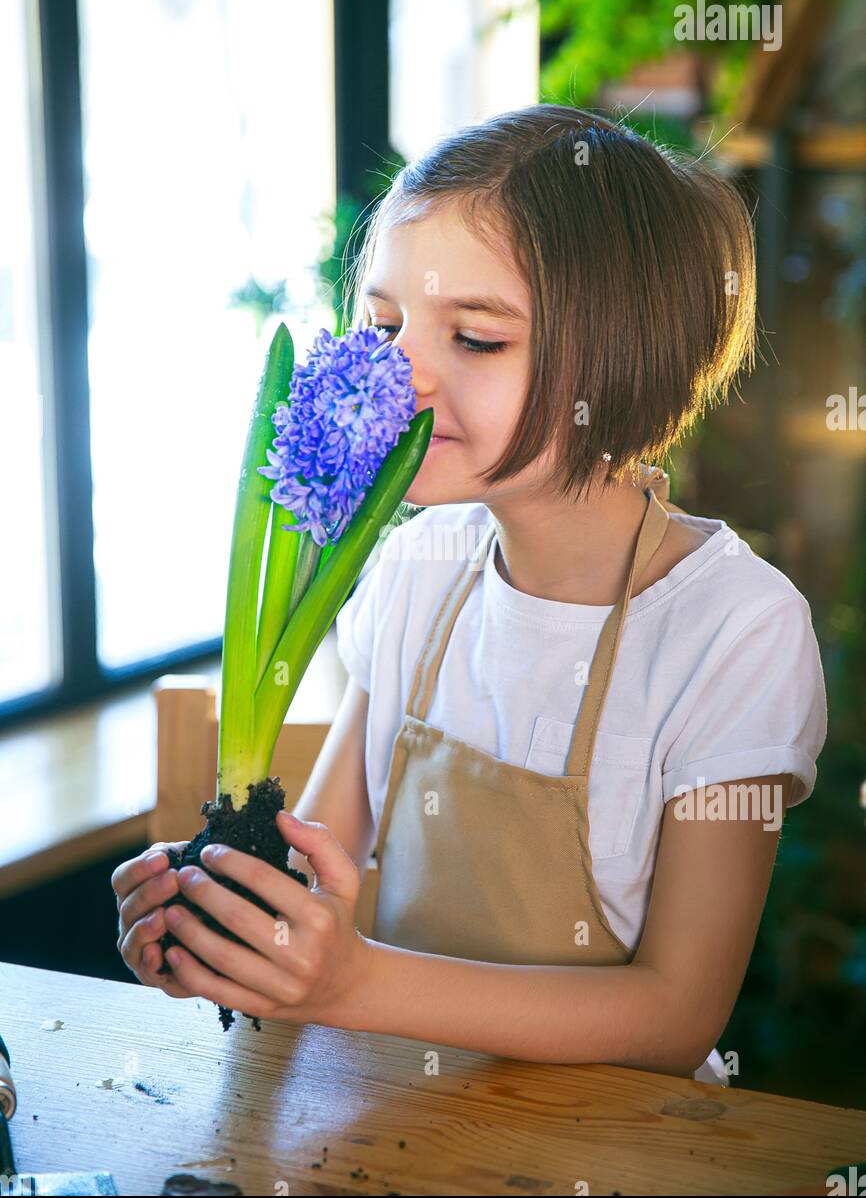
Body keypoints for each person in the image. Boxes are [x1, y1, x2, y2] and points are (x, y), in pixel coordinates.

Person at [114, 106, 827, 1084]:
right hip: (387, 1120)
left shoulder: (736, 628)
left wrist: (350, 985)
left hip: (621, 1154)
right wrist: (224, 926)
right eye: (384, 324)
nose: (398, 371)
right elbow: (320, 869)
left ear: (622, 359)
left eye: (477, 339)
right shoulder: (416, 567)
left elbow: (673, 1011)